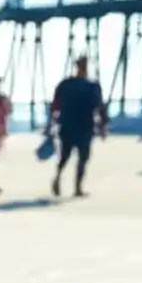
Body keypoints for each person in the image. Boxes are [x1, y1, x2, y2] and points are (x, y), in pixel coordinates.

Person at [47, 55, 108, 197]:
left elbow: (55, 105)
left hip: (69, 124)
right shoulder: (92, 86)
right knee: (81, 157)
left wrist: (51, 122)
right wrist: (103, 125)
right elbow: (100, 107)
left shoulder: (66, 84)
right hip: (83, 126)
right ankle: (76, 187)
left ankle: (60, 178)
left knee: (66, 156)